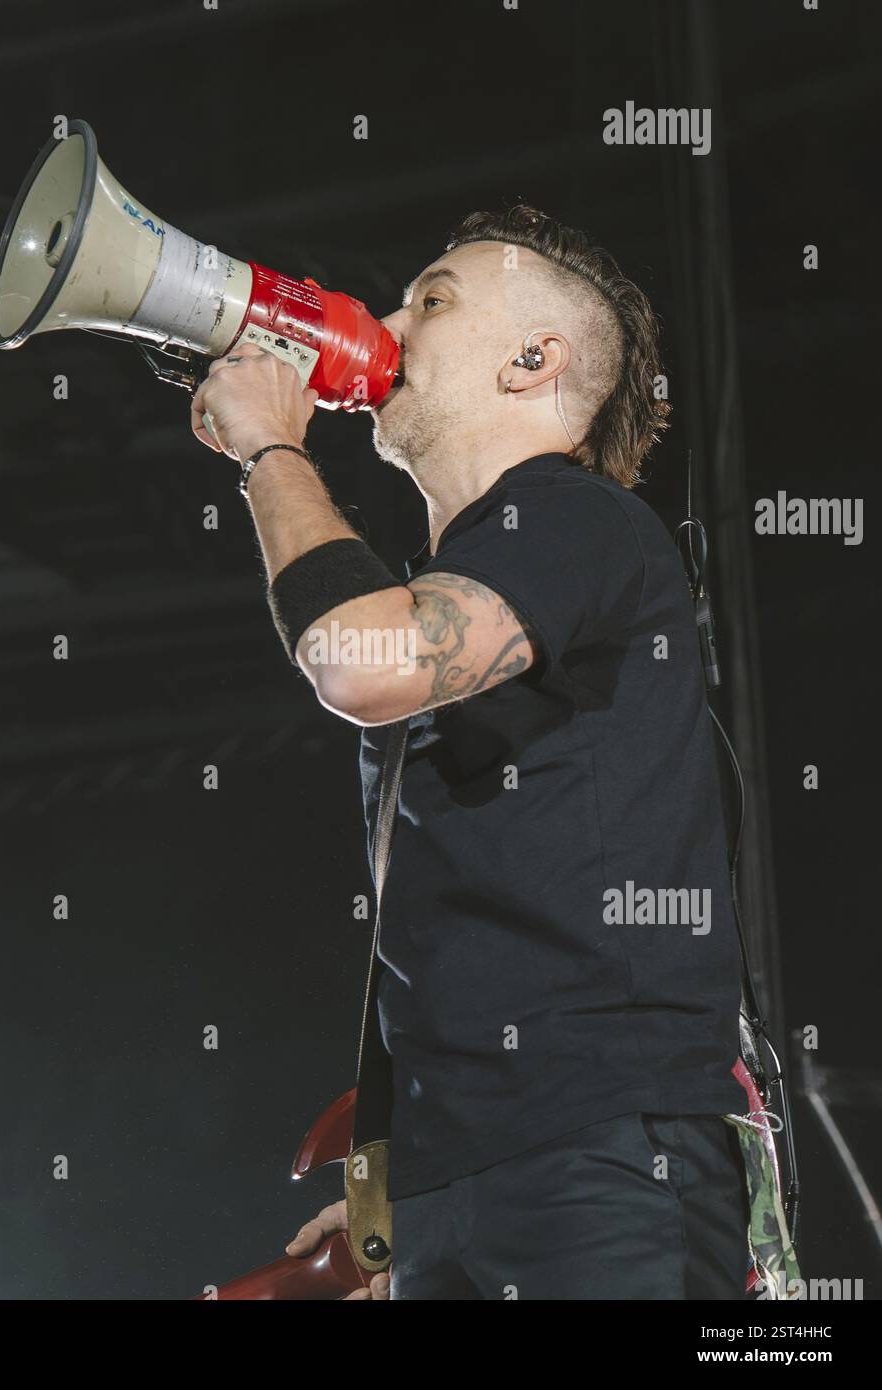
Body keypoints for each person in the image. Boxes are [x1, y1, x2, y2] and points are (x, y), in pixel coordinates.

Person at [191, 205, 751, 1300]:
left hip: (599, 1157)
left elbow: (360, 660)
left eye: (429, 301)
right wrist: (395, 1198)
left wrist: (268, 445)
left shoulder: (577, 520)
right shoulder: (463, 577)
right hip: (476, 1174)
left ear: (533, 361)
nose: (388, 325)